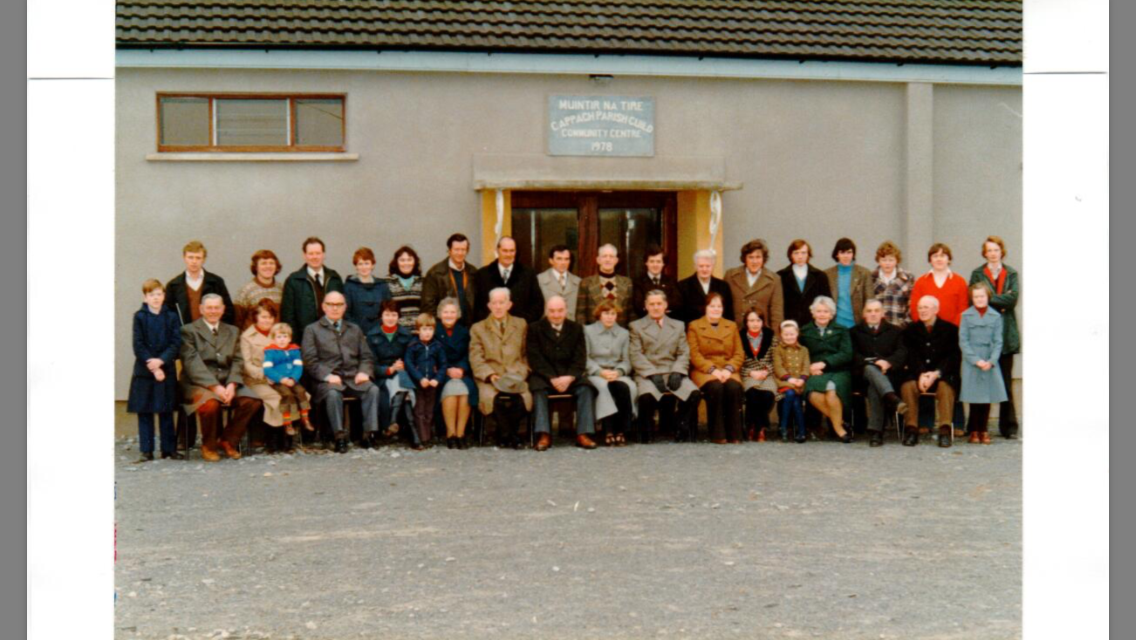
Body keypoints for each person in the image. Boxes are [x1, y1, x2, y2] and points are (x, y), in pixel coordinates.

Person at [178, 293, 263, 461]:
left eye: (217, 307)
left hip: (227, 380)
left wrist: (232, 384)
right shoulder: (189, 331)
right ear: (201, 309)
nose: (213, 311)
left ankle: (228, 440)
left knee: (252, 401)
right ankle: (208, 445)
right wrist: (215, 387)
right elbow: (192, 363)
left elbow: (238, 360)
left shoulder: (233, 331)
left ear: (223, 309)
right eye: (209, 308)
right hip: (198, 383)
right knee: (210, 404)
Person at [301, 291, 380, 453]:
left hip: (352, 377)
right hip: (326, 381)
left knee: (372, 389)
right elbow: (309, 360)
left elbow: (366, 356)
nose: (335, 308)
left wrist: (364, 371)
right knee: (333, 393)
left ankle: (368, 434)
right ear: (323, 307)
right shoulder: (312, 329)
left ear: (345, 307)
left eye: (339, 305)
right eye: (330, 304)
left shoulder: (354, 329)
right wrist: (327, 375)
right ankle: (339, 436)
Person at [629, 290, 701, 443]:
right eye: (652, 304)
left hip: (672, 370)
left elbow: (683, 352)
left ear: (666, 305)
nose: (656, 307)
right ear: (645, 306)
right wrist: (651, 374)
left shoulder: (678, 325)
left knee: (693, 393)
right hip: (648, 374)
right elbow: (636, 354)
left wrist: (678, 371)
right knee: (646, 396)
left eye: (659, 304)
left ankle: (681, 427)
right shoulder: (636, 326)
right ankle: (646, 434)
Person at [527, 295, 598, 450]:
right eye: (552, 311)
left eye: (560, 310)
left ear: (566, 311)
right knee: (538, 389)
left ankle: (583, 433)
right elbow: (535, 359)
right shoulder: (534, 328)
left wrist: (569, 377)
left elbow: (580, 358)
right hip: (545, 376)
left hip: (569, 375)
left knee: (586, 388)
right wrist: (552, 378)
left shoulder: (576, 328)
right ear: (546, 311)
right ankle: (544, 434)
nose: (556, 315)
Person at [969, 235, 1020, 439]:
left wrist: (988, 298)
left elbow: (1013, 299)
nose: (992, 253)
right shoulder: (977, 274)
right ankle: (976, 426)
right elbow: (975, 300)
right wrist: (1000, 300)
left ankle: (1009, 427)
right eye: (989, 250)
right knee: (981, 381)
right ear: (984, 253)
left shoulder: (1012, 273)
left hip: (1005, 335)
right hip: (983, 334)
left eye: (996, 250)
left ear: (1001, 251)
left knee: (1005, 382)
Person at [469, 287, 533, 449]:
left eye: (501, 302)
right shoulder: (478, 328)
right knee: (494, 400)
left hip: (515, 375)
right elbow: (476, 358)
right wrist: (489, 375)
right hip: (491, 378)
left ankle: (505, 434)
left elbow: (526, 354)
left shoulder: (521, 324)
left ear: (509, 304)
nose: (498, 307)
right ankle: (510, 435)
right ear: (489, 305)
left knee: (522, 399)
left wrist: (522, 372)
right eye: (494, 303)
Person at [127, 278, 182, 461]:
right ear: (145, 297)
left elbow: (175, 343)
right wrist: (152, 365)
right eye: (152, 295)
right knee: (145, 410)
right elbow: (138, 344)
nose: (156, 298)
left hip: (166, 368)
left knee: (166, 409)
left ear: (164, 296)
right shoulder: (139, 317)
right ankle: (146, 450)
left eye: (159, 294)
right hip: (145, 370)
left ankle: (168, 449)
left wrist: (161, 361)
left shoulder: (171, 316)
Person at [900, 295, 962, 448]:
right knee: (907, 386)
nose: (922, 311)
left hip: (942, 374)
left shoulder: (950, 330)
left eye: (926, 307)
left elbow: (953, 357)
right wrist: (921, 373)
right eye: (920, 307)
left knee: (946, 387)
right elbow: (910, 355)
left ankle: (945, 430)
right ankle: (911, 429)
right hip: (918, 375)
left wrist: (936, 373)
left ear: (936, 310)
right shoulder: (910, 331)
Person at [238, 299, 297, 452]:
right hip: (257, 380)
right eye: (263, 317)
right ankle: (273, 438)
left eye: (270, 317)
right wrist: (266, 375)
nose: (267, 320)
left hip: (280, 378)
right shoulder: (247, 337)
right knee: (276, 399)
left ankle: (288, 436)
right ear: (255, 317)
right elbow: (246, 364)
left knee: (300, 395)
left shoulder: (279, 333)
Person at [687, 292, 745, 444]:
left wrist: (728, 369)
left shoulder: (731, 326)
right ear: (705, 308)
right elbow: (694, 354)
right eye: (712, 306)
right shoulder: (694, 326)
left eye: (719, 306)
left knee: (733, 387)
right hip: (704, 370)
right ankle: (717, 434)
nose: (716, 309)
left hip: (727, 368)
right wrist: (713, 370)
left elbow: (739, 353)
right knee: (716, 387)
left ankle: (735, 434)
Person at [850, 299, 909, 447]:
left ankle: (876, 432)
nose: (873, 314)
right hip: (862, 376)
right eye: (869, 311)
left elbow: (902, 352)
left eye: (876, 311)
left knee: (875, 386)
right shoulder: (854, 332)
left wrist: (888, 362)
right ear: (864, 314)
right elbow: (853, 355)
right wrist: (872, 363)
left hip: (889, 375)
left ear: (883, 313)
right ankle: (893, 399)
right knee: (870, 370)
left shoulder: (895, 331)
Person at [798, 296, 855, 443]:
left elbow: (847, 353)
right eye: (819, 311)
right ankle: (841, 422)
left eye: (826, 311)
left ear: (832, 314)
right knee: (812, 393)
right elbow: (800, 354)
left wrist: (825, 363)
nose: (822, 314)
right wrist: (809, 368)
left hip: (838, 370)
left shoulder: (841, 330)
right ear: (813, 313)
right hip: (814, 372)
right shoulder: (804, 331)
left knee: (831, 391)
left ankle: (839, 430)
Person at [959, 282, 1008, 445]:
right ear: (972, 299)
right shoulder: (966, 316)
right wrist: (975, 360)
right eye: (976, 297)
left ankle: (984, 429)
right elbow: (963, 341)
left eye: (982, 296)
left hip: (989, 359)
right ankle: (974, 429)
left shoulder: (996, 316)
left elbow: (998, 341)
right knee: (974, 396)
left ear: (988, 297)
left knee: (987, 396)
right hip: (972, 360)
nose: (979, 299)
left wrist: (991, 361)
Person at [584, 300, 636, 446]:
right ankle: (608, 430)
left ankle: (621, 430)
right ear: (599, 315)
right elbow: (585, 358)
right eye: (606, 313)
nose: (609, 317)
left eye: (613, 314)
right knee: (604, 388)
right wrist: (600, 371)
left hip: (616, 372)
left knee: (627, 387)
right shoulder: (587, 331)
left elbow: (627, 360)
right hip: (596, 373)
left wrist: (618, 372)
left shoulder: (623, 333)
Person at [366, 301, 416, 441]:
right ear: (381, 316)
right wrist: (389, 369)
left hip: (401, 372)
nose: (390, 318)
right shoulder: (372, 335)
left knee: (403, 384)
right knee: (396, 388)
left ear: (398, 316)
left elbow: (412, 357)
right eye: (387, 314)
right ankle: (405, 429)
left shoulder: (406, 335)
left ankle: (394, 424)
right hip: (382, 376)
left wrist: (404, 365)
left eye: (394, 315)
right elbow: (370, 363)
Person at [434, 298, 478, 449]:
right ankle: (450, 434)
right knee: (451, 388)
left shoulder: (464, 331)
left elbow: (469, 353)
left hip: (461, 371)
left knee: (465, 389)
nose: (449, 315)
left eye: (452, 312)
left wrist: (461, 368)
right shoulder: (434, 330)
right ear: (440, 314)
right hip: (441, 373)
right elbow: (431, 355)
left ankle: (460, 434)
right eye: (446, 312)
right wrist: (446, 369)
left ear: (458, 314)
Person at [280, 236, 344, 338]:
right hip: (304, 338)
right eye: (311, 253)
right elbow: (288, 316)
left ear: (323, 255)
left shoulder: (334, 279)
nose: (315, 257)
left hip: (332, 337)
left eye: (318, 253)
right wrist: (295, 342)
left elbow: (343, 309)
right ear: (304, 256)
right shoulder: (293, 281)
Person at [473, 237, 544, 324]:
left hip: (521, 328)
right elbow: (477, 306)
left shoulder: (528, 274)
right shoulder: (482, 274)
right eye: (505, 251)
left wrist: (523, 322)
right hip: (490, 329)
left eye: (512, 251)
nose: (508, 254)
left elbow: (537, 304)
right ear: (497, 251)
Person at [261, 322, 313, 439]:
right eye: (279, 337)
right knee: (287, 395)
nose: (282, 340)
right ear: (273, 339)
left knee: (301, 392)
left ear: (289, 338)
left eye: (285, 336)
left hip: (292, 379)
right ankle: (287, 422)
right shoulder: (271, 352)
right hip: (279, 381)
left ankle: (305, 418)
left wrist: (294, 378)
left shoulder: (294, 350)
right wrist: (281, 379)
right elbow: (268, 369)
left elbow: (298, 367)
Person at [165, 240, 235, 326]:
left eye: (198, 258)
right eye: (190, 257)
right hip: (184, 332)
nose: (194, 261)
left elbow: (228, 310)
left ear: (204, 259)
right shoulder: (173, 286)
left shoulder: (216, 282)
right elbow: (169, 315)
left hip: (212, 332)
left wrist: (218, 330)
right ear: (184, 258)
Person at [405, 313, 448, 450]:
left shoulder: (437, 346)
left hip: (432, 384)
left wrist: (437, 379)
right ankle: (422, 438)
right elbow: (409, 364)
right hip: (418, 384)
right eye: (424, 329)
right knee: (419, 410)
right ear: (418, 330)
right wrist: (420, 378)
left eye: (430, 329)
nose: (427, 332)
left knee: (430, 410)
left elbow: (443, 364)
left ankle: (428, 436)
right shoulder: (413, 346)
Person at [724, 239, 783, 330]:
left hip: (762, 333)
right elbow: (723, 307)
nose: (754, 261)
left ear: (763, 259)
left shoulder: (774, 279)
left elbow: (776, 313)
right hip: (735, 331)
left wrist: (775, 336)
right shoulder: (730, 275)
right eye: (750, 257)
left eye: (758, 257)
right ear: (745, 258)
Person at [421, 233, 479, 324]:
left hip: (470, 327)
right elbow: (428, 306)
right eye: (456, 249)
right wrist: (440, 327)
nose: (460, 253)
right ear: (449, 250)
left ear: (467, 251)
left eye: (463, 250)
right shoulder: (435, 274)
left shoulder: (473, 273)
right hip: (445, 328)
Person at [739, 308, 778, 442]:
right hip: (748, 373)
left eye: (758, 320)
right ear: (746, 322)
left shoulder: (770, 336)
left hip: (767, 373)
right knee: (753, 394)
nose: (755, 324)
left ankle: (757, 426)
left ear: (763, 322)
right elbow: (737, 361)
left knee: (767, 395)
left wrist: (766, 371)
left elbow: (776, 359)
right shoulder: (739, 337)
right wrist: (750, 372)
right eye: (751, 320)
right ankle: (756, 427)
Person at [909, 242, 969, 326]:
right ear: (930, 260)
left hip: (953, 330)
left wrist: (952, 329)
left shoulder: (960, 282)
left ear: (949, 259)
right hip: (926, 330)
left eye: (942, 256)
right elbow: (914, 309)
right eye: (935, 256)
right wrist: (926, 327)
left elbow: (963, 309)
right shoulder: (920, 282)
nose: (939, 259)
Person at [577, 243, 634, 327]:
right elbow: (580, 314)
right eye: (604, 256)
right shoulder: (586, 283)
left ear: (616, 260)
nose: (608, 259)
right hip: (594, 332)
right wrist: (585, 332)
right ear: (598, 260)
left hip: (620, 332)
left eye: (611, 256)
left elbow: (631, 313)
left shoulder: (627, 283)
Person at [778, 239, 832, 328]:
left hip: (813, 325)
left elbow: (827, 302)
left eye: (803, 253)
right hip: (789, 326)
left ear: (808, 254)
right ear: (790, 255)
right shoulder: (781, 276)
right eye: (796, 253)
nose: (800, 256)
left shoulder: (820, 276)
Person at [772, 320, 810, 443]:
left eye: (792, 334)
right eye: (786, 334)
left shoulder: (804, 350)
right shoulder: (778, 349)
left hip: (800, 382)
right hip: (785, 381)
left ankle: (785, 428)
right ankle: (797, 430)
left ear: (797, 333)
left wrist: (802, 379)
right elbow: (778, 367)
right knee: (790, 394)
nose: (789, 337)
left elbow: (806, 366)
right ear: (781, 335)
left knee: (795, 401)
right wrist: (789, 378)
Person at [824, 238, 873, 329]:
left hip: (858, 325)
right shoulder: (827, 275)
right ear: (837, 254)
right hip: (835, 326)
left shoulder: (864, 273)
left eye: (849, 252)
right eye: (842, 252)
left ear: (853, 254)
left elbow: (870, 301)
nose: (846, 256)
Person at [676, 249, 734, 325]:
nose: (704, 269)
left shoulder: (723, 286)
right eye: (701, 266)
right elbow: (679, 314)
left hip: (718, 329)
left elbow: (729, 313)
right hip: (692, 329)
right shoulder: (683, 286)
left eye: (708, 266)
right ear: (695, 266)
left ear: (713, 266)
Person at [343, 246, 391, 336]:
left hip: (380, 334)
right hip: (356, 335)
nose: (363, 267)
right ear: (356, 266)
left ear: (372, 265)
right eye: (360, 264)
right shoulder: (349, 286)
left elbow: (388, 311)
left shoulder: (382, 286)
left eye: (366, 263)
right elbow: (346, 314)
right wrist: (357, 331)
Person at [233, 249, 284, 330]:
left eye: (271, 263)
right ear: (256, 267)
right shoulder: (246, 290)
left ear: (276, 266)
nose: (268, 266)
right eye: (263, 263)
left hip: (276, 336)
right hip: (252, 337)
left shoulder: (282, 289)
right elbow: (237, 321)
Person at [631, 245, 682, 321]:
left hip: (667, 321)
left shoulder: (671, 281)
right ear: (646, 263)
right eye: (652, 261)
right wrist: (663, 307)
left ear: (663, 264)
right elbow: (639, 305)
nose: (655, 265)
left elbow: (677, 303)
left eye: (658, 261)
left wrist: (652, 307)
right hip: (646, 322)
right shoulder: (638, 282)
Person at [872, 241, 914, 329]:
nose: (887, 263)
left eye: (891, 260)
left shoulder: (907, 278)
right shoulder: (871, 278)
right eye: (884, 260)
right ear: (878, 261)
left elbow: (912, 304)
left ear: (897, 260)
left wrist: (905, 324)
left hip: (900, 328)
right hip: (877, 329)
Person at [537, 245, 582, 320]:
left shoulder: (578, 282)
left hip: (571, 325)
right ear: (551, 261)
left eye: (566, 259)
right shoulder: (539, 280)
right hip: (547, 325)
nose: (563, 263)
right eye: (559, 259)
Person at [387, 245, 425, 331]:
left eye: (409, 260)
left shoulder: (423, 282)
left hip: (418, 333)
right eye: (402, 260)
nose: (406, 263)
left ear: (415, 261)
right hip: (397, 334)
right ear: (396, 262)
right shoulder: (388, 282)